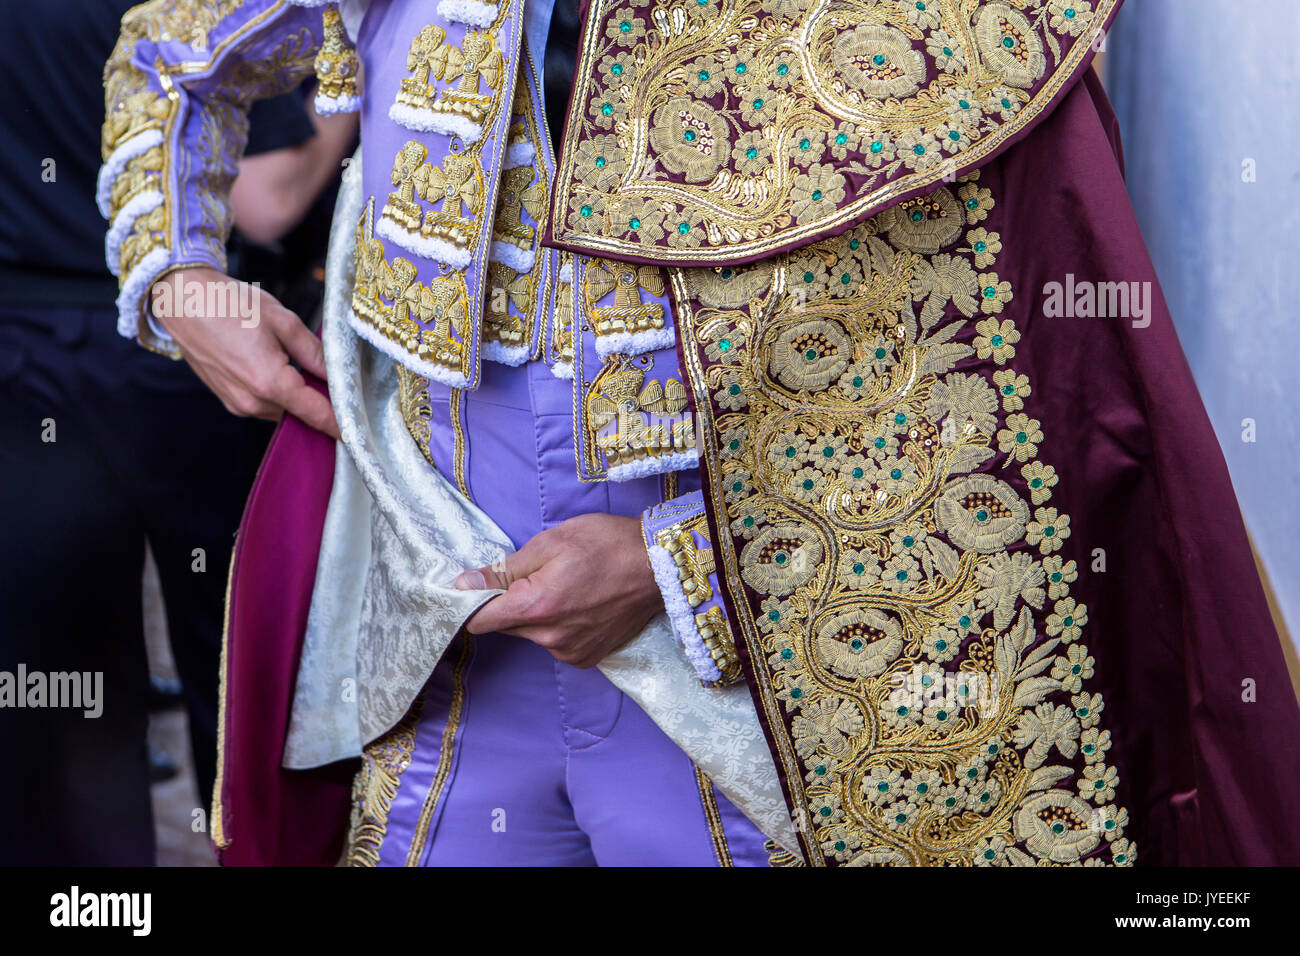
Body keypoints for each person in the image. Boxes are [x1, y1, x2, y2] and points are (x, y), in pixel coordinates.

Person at [99, 0, 1300, 867]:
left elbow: (970, 406)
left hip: (748, 717)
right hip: (448, 678)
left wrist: (685, 570)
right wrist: (180, 287)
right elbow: (169, 56)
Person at [0, 1, 350, 865]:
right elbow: (267, 203)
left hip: (25, 345)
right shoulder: (193, 15)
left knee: (60, 681)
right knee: (237, 663)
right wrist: (348, 114)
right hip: (186, 344)